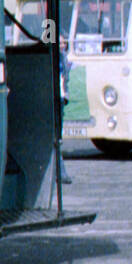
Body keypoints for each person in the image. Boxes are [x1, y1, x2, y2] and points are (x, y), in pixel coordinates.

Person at [58, 38, 73, 184]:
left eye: (64, 43)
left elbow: (65, 79)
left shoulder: (64, 58)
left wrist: (66, 95)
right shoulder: (56, 58)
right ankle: (61, 173)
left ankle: (61, 172)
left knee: (58, 138)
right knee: (57, 138)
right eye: (60, 43)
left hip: (61, 98)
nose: (63, 45)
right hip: (55, 98)